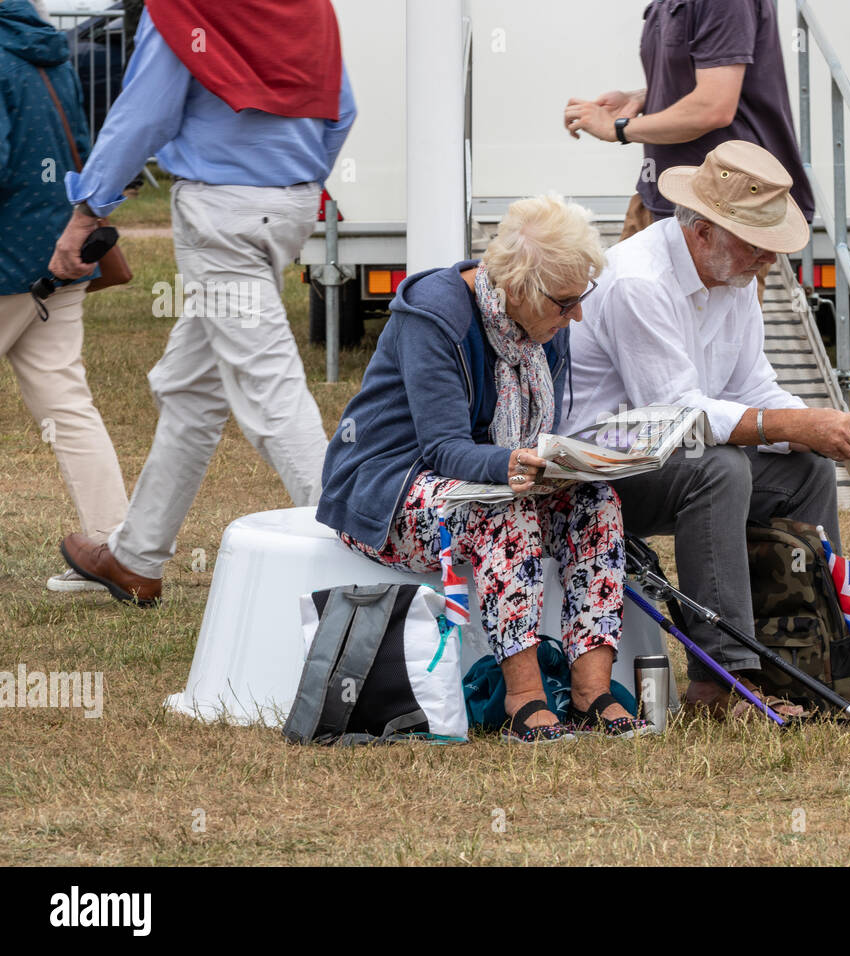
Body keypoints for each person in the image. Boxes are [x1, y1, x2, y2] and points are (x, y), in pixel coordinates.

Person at [561, 140, 850, 719]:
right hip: (595, 468)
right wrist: (798, 422)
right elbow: (677, 418)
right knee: (718, 469)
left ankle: (818, 655)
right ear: (704, 229)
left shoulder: (732, 273)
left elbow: (756, 390)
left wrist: (828, 428)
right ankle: (723, 679)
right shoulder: (640, 280)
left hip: (657, 454)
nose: (769, 258)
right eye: (757, 242)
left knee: (808, 468)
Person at [51, 0, 356, 606]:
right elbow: (341, 110)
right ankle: (135, 558)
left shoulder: (186, 10)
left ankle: (363, 556)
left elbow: (142, 116)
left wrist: (88, 210)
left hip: (222, 217)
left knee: (271, 393)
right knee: (190, 388)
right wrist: (290, 178)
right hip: (287, 204)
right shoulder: (309, 10)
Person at [316, 195, 651, 744]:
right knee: (506, 513)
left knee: (598, 504)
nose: (578, 316)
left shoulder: (546, 321)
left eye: (580, 299)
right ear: (519, 287)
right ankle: (524, 698)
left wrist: (568, 463)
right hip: (387, 486)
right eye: (566, 303)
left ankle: (593, 690)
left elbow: (536, 435)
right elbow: (443, 448)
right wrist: (516, 463)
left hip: (486, 479)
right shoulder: (436, 313)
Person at [0, 0, 128, 593]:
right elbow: (83, 147)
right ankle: (114, 543)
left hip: (7, 262)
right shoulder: (51, 55)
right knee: (68, 406)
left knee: (68, 405)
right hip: (59, 254)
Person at [563, 0, 813, 300]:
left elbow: (714, 106)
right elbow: (710, 76)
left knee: (712, 344)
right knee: (612, 313)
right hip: (662, 199)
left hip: (723, 219)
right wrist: (643, 96)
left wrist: (618, 129)